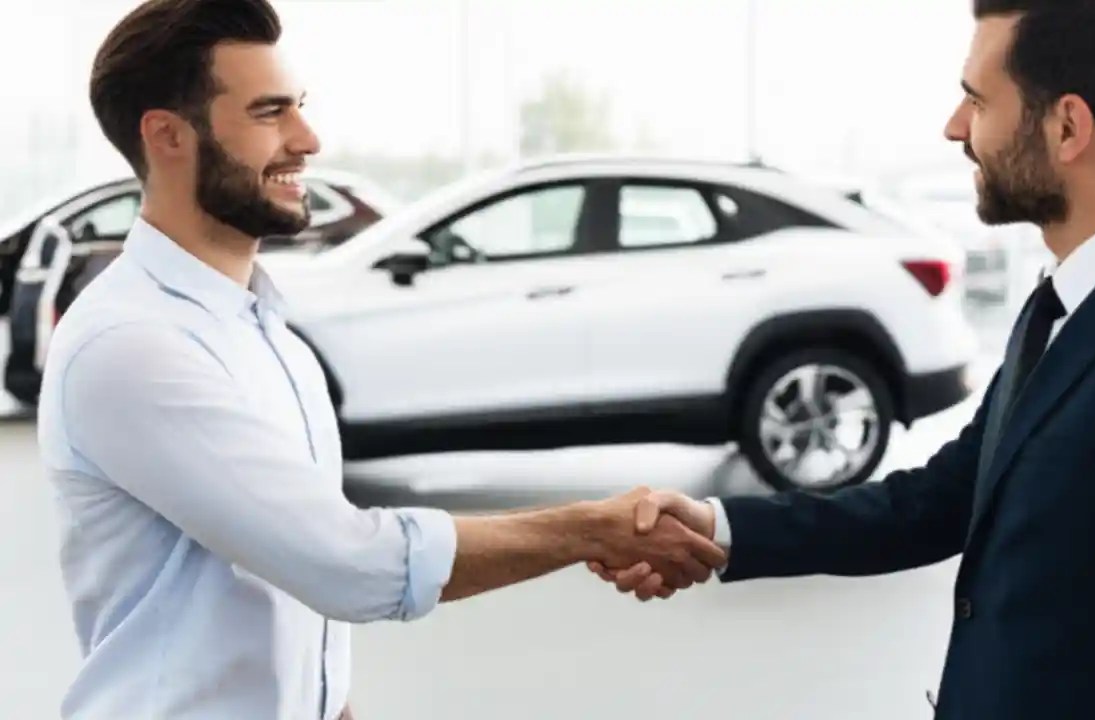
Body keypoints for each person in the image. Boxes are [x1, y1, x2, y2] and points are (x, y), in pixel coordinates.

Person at [594, 1, 1095, 718]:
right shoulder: (1076, 296)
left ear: (1068, 126)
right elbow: (943, 500)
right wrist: (719, 529)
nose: (955, 127)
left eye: (978, 100)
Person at [37, 1, 722, 718]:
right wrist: (591, 527)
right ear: (167, 136)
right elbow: (347, 563)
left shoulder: (269, 336)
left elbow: (290, 592)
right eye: (270, 112)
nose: (308, 138)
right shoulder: (131, 347)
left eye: (298, 107)